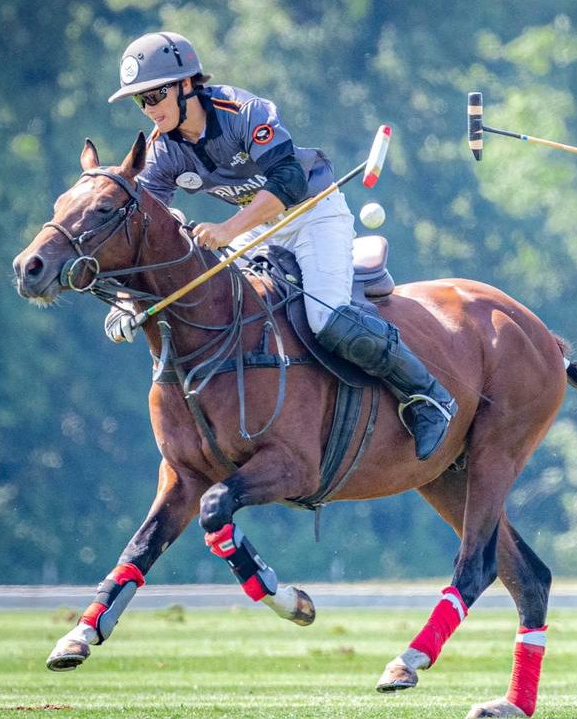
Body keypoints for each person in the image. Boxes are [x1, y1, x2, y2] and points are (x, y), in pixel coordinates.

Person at [103, 31, 454, 461]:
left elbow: (288, 180)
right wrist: (124, 299)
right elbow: (148, 225)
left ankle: (427, 395)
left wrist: (230, 229)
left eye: (155, 95)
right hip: (253, 228)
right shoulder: (162, 151)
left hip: (311, 213)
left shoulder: (244, 112)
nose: (150, 109)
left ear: (187, 85)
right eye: (142, 101)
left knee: (326, 318)